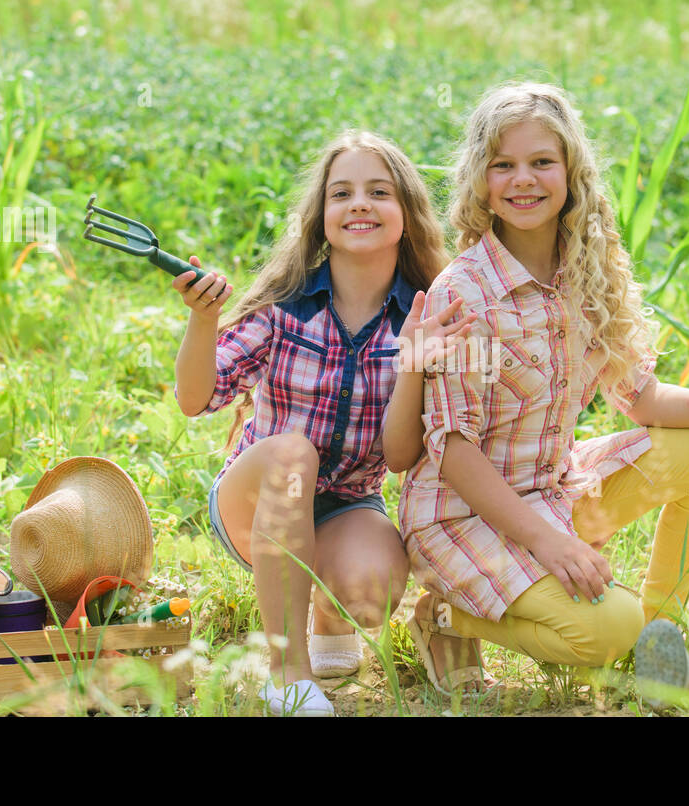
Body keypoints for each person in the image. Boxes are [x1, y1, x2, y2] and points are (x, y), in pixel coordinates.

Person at [398, 83, 689, 695]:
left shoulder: (585, 271)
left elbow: (643, 399)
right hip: (462, 514)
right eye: (504, 165)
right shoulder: (463, 293)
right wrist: (552, 545)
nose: (524, 180)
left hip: (552, 488)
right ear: (480, 180)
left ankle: (663, 632)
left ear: (572, 171)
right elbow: (452, 450)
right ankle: (448, 615)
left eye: (542, 162)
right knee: (605, 631)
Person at [173, 130, 474, 716]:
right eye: (342, 194)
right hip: (259, 497)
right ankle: (287, 674)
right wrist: (202, 321)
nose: (359, 203)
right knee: (293, 455)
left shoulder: (425, 316)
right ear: (322, 218)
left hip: (347, 504)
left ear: (407, 215)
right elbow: (196, 398)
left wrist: (413, 364)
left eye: (378, 191)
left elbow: (406, 454)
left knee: (372, 589)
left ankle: (331, 623)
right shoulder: (286, 308)